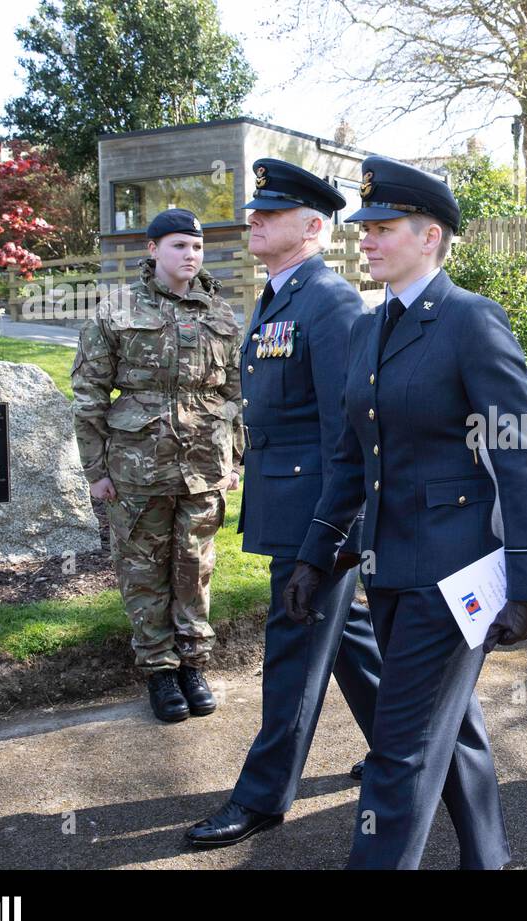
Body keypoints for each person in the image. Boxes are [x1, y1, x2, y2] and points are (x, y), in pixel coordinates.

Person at [290, 155, 527, 869]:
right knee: (449, 722)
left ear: (430, 235)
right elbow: (351, 455)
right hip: (389, 567)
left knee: (399, 749)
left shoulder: (469, 320)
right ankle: (489, 858)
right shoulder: (366, 328)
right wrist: (318, 551)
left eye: (384, 226)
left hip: (456, 573)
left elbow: (521, 451)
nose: (366, 239)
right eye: (365, 227)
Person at [185, 159, 381, 847]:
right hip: (286, 500)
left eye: (271, 210)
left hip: (314, 516)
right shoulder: (277, 296)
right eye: (256, 207)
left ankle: (263, 795)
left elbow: (346, 431)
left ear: (312, 226)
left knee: (293, 651)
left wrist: (328, 537)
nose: (254, 218)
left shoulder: (328, 302)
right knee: (344, 637)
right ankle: (411, 745)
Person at [72, 209, 242, 722]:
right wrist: (95, 471)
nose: (190, 255)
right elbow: (88, 394)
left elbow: (236, 392)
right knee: (142, 569)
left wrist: (234, 457)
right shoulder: (116, 310)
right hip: (136, 466)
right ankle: (159, 671)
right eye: (178, 246)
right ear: (152, 250)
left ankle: (193, 662)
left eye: (196, 246)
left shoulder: (221, 313)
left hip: (203, 463)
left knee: (195, 566)